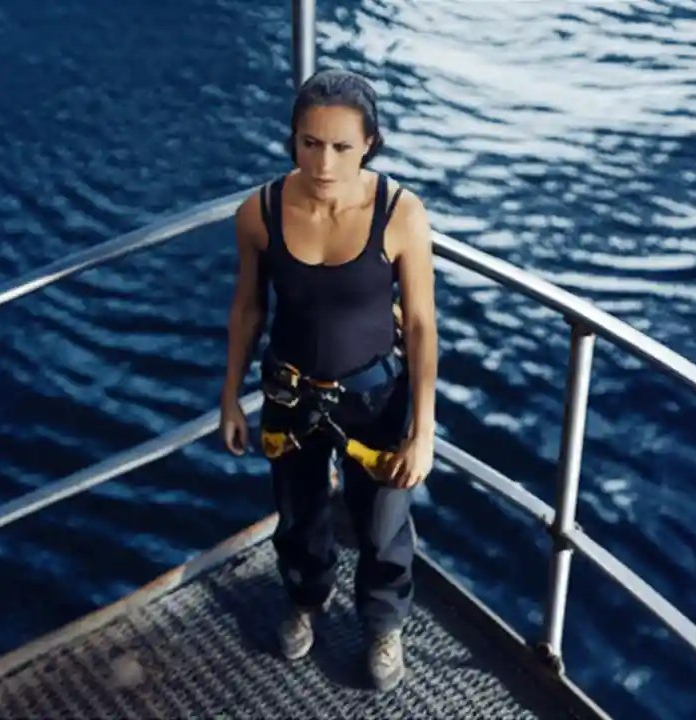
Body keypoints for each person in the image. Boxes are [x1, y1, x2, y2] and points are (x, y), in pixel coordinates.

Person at [218, 68, 438, 693]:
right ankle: (305, 597)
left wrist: (424, 430)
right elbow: (246, 309)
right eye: (310, 143)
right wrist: (230, 395)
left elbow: (421, 325)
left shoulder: (400, 213)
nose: (323, 161)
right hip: (290, 392)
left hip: (376, 397)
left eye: (341, 146)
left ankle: (383, 622)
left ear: (369, 143)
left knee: (382, 522)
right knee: (299, 511)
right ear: (293, 139)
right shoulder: (259, 212)